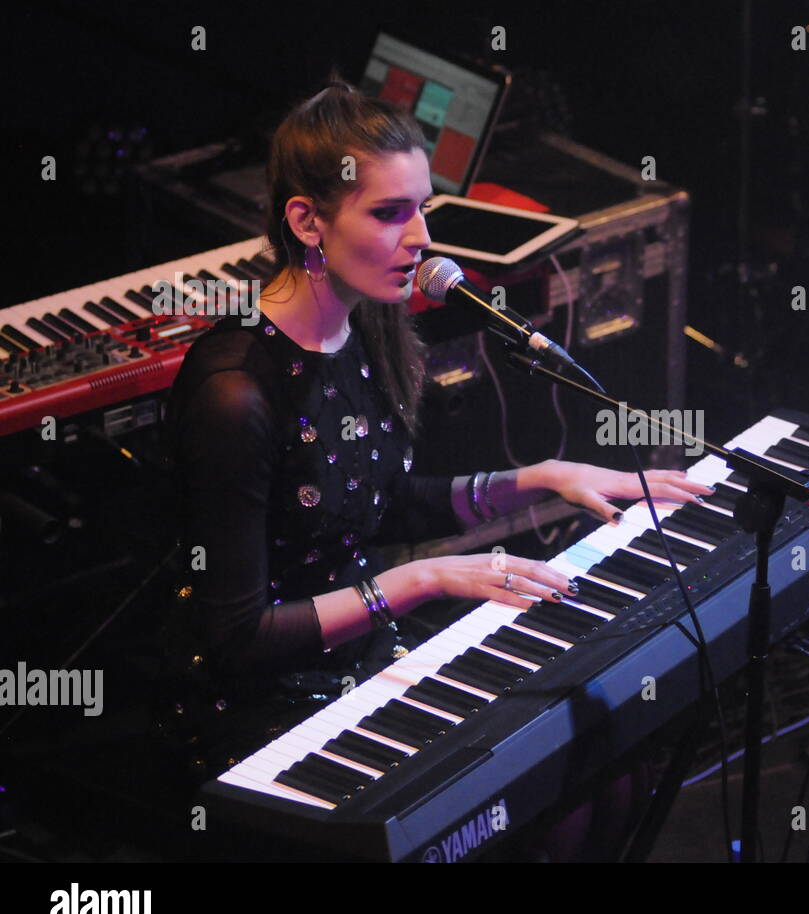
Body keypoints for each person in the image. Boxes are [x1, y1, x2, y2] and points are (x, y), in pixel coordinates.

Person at [157, 79, 712, 811]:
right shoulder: (236, 393)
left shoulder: (364, 329)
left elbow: (377, 506)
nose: (420, 238)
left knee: (610, 763)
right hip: (265, 716)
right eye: (389, 213)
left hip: (362, 665)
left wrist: (541, 476)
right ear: (307, 221)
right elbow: (237, 635)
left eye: (422, 207)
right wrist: (424, 579)